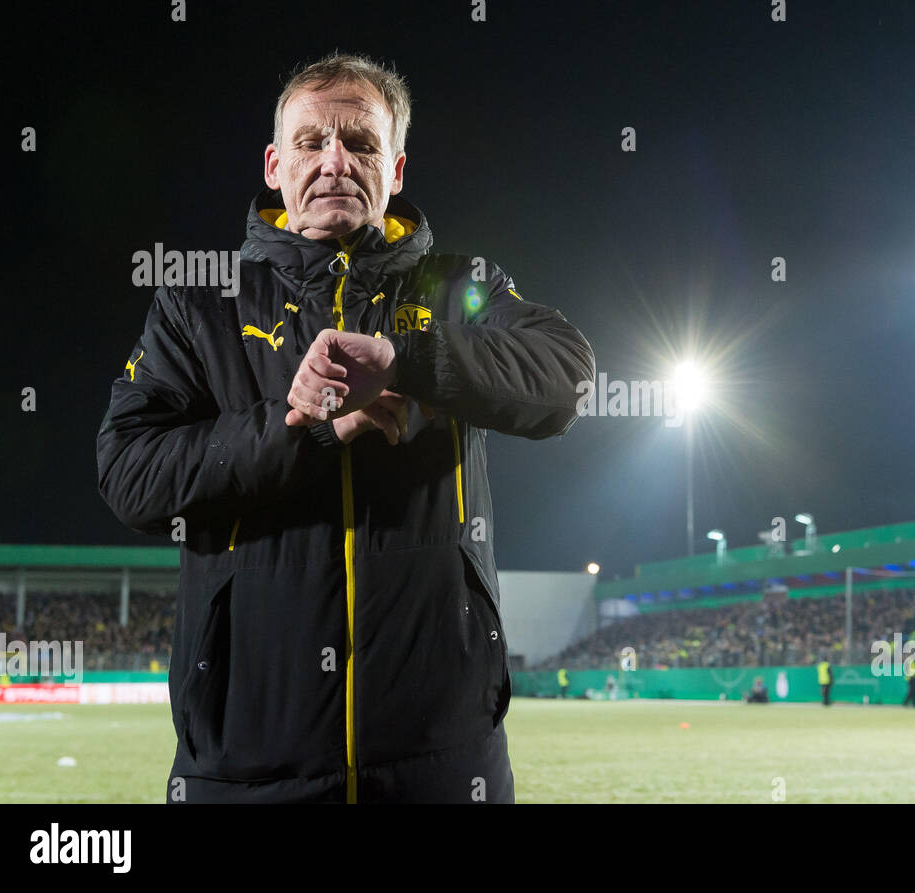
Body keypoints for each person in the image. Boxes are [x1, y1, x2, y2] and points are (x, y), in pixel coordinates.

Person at [96, 53, 595, 804]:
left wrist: (409, 360)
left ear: (395, 168)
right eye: (311, 141)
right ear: (274, 164)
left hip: (444, 761)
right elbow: (129, 473)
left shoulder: (460, 288)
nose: (335, 161)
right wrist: (299, 427)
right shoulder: (200, 305)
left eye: (361, 143)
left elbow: (567, 377)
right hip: (243, 764)